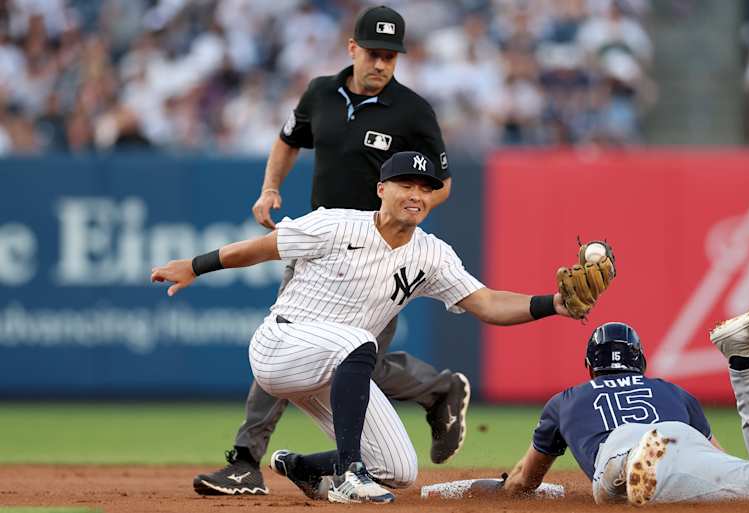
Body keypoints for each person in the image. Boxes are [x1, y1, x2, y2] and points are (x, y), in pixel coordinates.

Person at [151, 151, 614, 503]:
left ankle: (307, 468)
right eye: (405, 184)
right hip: (281, 345)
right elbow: (260, 248)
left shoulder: (432, 253)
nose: (415, 193)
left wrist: (554, 304)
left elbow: (488, 303)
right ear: (381, 189)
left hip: (335, 367)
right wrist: (195, 265)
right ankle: (350, 475)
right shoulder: (334, 225)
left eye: (425, 187)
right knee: (360, 341)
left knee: (400, 468)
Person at [193, 5, 464, 496]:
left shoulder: (413, 110)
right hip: (320, 245)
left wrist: (408, 208)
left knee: (358, 363)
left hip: (377, 258)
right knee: (296, 344)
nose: (382, 64)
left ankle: (428, 393)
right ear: (352, 48)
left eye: (391, 56)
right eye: (374, 53)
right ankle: (246, 460)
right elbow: (288, 139)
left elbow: (440, 183)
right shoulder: (321, 92)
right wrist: (270, 188)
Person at [494, 301, 749, 505]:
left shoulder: (565, 400)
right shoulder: (674, 392)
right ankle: (742, 361)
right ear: (640, 362)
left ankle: (629, 463)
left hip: (620, 449)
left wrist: (506, 490)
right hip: (679, 440)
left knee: (614, 484)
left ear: (590, 367)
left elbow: (524, 480)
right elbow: (715, 457)